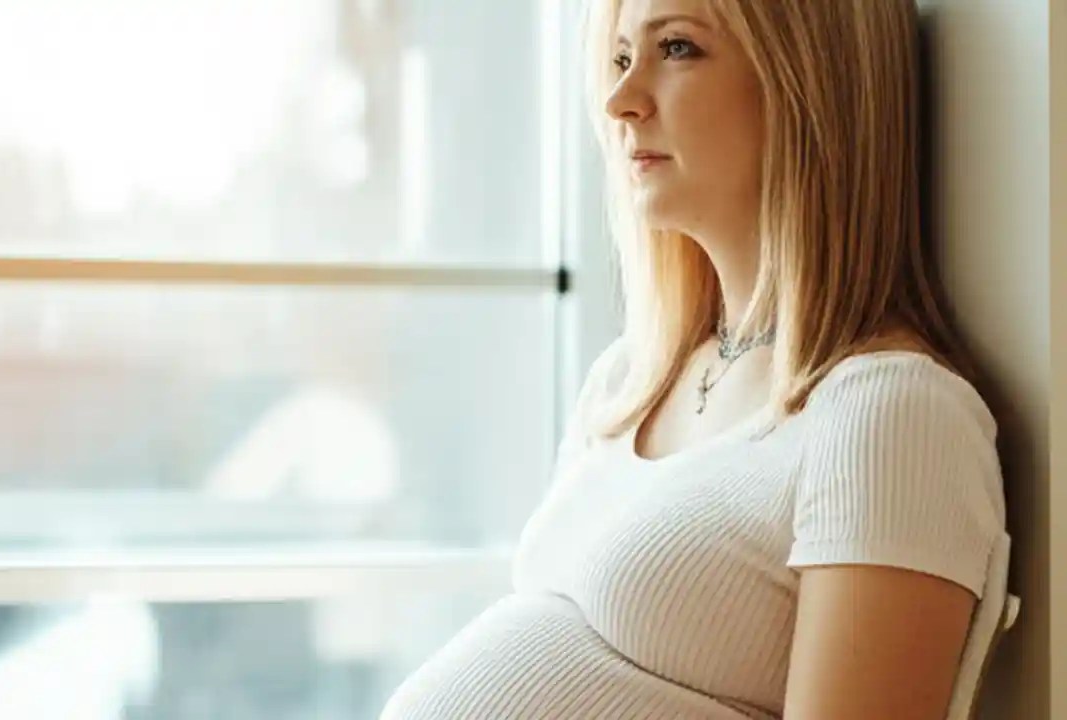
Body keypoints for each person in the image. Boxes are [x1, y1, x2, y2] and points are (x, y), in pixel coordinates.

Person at [381, 0, 1007, 717]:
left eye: (675, 48)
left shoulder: (894, 415)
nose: (620, 100)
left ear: (807, 82)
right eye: (620, 58)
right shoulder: (628, 382)